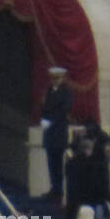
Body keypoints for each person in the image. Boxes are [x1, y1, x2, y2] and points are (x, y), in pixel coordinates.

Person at [41, 66, 73, 200]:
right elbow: (45, 108)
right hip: (50, 133)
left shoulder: (66, 92)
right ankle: (54, 188)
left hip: (59, 132)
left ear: (61, 79)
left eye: (57, 78)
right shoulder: (49, 91)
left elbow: (63, 110)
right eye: (53, 78)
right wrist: (44, 120)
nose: (55, 81)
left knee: (59, 164)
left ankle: (59, 190)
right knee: (51, 162)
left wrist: (50, 121)